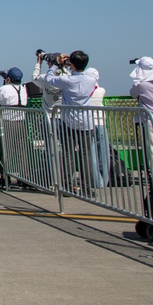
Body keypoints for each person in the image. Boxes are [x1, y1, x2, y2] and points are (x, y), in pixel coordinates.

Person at [46, 51, 98, 196]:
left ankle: (68, 185)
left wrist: (56, 64)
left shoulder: (67, 80)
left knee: (68, 154)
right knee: (86, 155)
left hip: (69, 122)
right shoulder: (91, 80)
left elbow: (49, 79)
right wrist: (72, 64)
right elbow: (83, 73)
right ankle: (87, 187)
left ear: (73, 64)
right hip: (87, 122)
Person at [0, 68, 27, 190]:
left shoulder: (4, 89)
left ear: (8, 78)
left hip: (8, 122)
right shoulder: (23, 88)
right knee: (22, 152)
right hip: (22, 122)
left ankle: (5, 177)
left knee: (4, 151)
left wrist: (4, 84)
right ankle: (23, 178)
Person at [87, 68, 109, 188]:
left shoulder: (84, 91)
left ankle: (96, 181)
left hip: (89, 122)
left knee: (92, 153)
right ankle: (104, 180)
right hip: (100, 122)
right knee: (103, 152)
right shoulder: (101, 90)